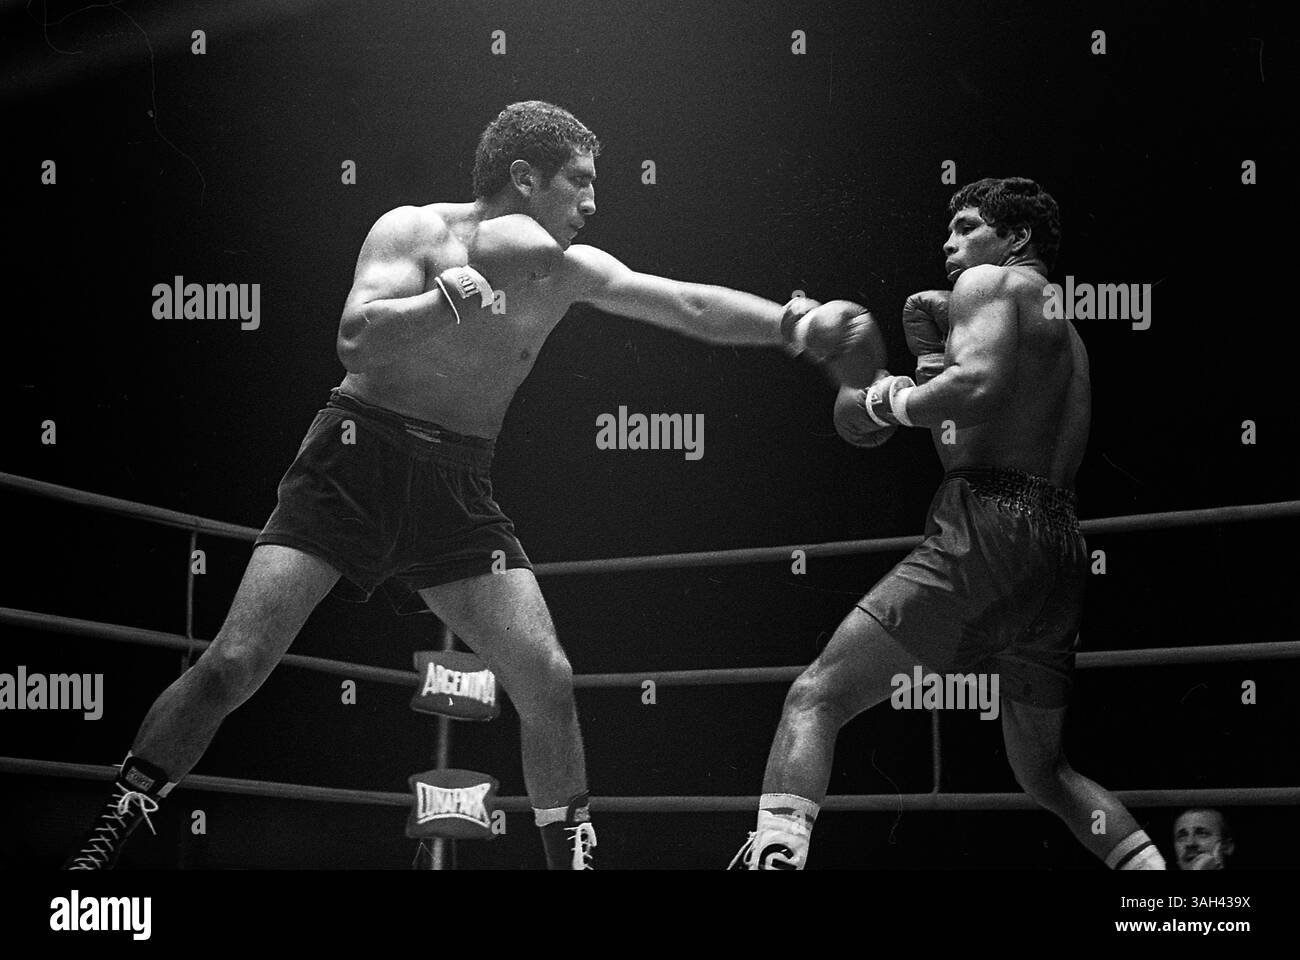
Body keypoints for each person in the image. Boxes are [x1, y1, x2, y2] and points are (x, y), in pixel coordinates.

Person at [61, 100, 878, 871]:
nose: (594, 201)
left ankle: (574, 860)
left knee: (546, 676)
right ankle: (112, 830)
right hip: (356, 459)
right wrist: (442, 303)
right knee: (235, 662)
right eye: (581, 180)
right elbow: (355, 342)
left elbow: (686, 304)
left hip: (457, 486)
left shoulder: (567, 271)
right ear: (525, 176)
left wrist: (791, 325)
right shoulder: (413, 230)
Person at [732, 177, 1167, 871]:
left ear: (1014, 238)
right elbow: (970, 428)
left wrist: (884, 401)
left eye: (966, 226)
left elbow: (976, 387)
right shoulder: (1066, 330)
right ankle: (1170, 907)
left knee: (816, 696)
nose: (950, 242)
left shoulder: (989, 284)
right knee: (1047, 775)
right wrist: (927, 367)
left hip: (987, 529)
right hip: (1059, 550)